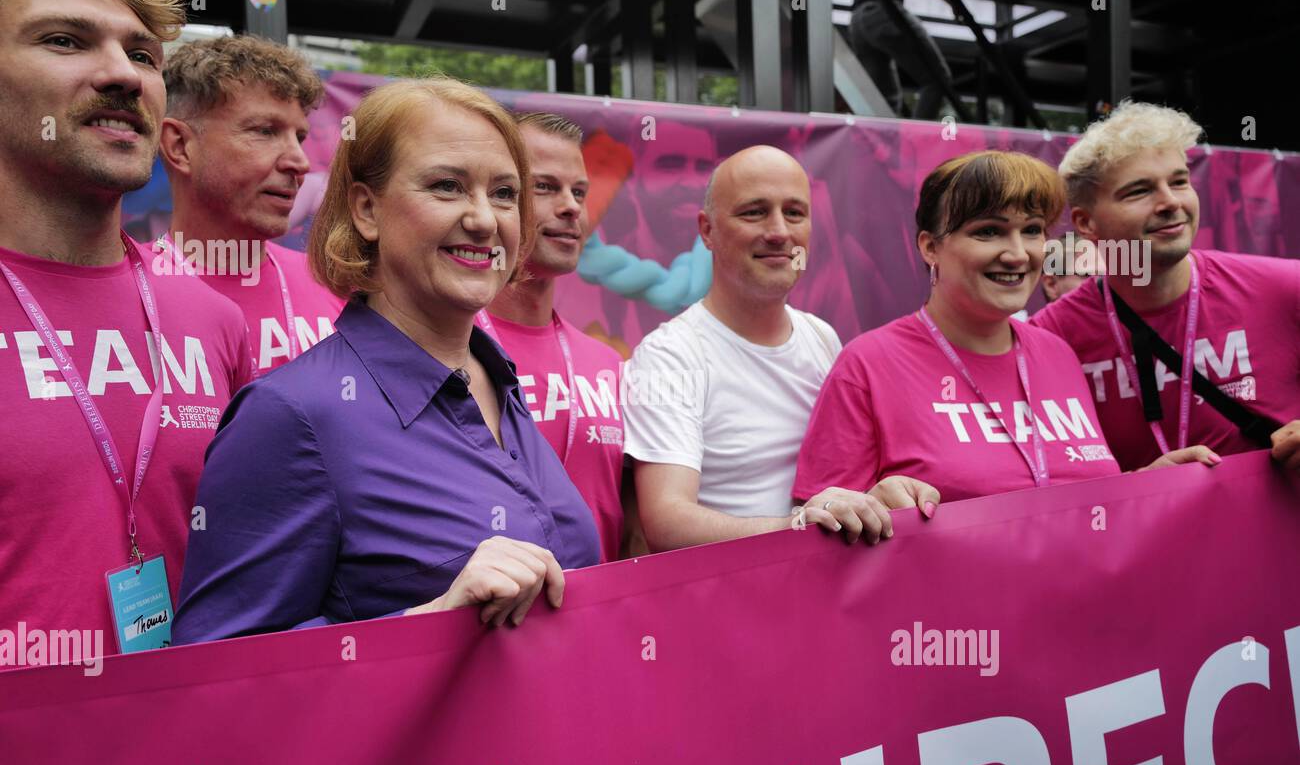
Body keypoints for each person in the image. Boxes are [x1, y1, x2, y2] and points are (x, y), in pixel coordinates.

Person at [173, 77, 600, 642]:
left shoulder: (496, 383)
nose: (484, 219)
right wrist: (429, 622)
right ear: (367, 209)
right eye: (447, 186)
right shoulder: (291, 416)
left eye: (504, 193)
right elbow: (216, 669)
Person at [0, 0, 252, 650]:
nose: (123, 74)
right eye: (64, 40)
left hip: (189, 747)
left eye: (142, 53)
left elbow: (262, 582)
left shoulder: (215, 322)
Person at [795, 150, 1217, 504]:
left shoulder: (1056, 353)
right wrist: (868, 503)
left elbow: (1072, 498)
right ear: (930, 247)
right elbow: (817, 524)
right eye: (989, 232)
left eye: (1031, 230)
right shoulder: (869, 365)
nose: (1017, 254)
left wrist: (1144, 483)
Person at [625, 145, 937, 553]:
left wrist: (876, 500)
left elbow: (846, 484)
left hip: (827, 593)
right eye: (754, 212)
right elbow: (667, 523)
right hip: (727, 603)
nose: (779, 232)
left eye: (794, 212)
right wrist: (799, 526)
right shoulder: (670, 355)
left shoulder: (821, 337)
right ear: (707, 231)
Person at [1031, 101, 1300, 471]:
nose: (1171, 202)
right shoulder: (1047, 339)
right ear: (1086, 223)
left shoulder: (1284, 289)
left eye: (1179, 181)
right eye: (1139, 191)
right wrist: (1140, 483)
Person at [475, 113, 627, 562]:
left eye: (579, 191)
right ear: (500, 197)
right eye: (545, 187)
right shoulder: (449, 350)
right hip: (495, 616)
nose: (572, 207)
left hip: (597, 618)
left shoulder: (606, 362)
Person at [145, 34, 343, 376]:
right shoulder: (131, 292)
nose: (300, 162)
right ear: (178, 146)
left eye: (299, 137)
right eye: (265, 131)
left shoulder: (335, 284)